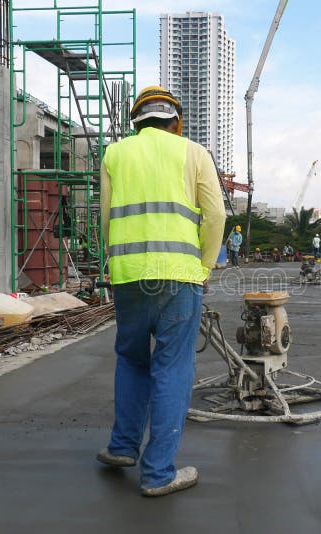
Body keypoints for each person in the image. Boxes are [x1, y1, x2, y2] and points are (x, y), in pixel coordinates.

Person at [97, 85, 225, 497]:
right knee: (172, 368)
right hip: (178, 277)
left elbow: (106, 219)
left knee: (132, 361)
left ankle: (122, 448)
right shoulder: (193, 152)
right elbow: (216, 214)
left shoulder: (116, 153)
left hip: (129, 275)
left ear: (136, 122)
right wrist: (205, 266)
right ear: (176, 122)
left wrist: (113, 264)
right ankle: (157, 474)